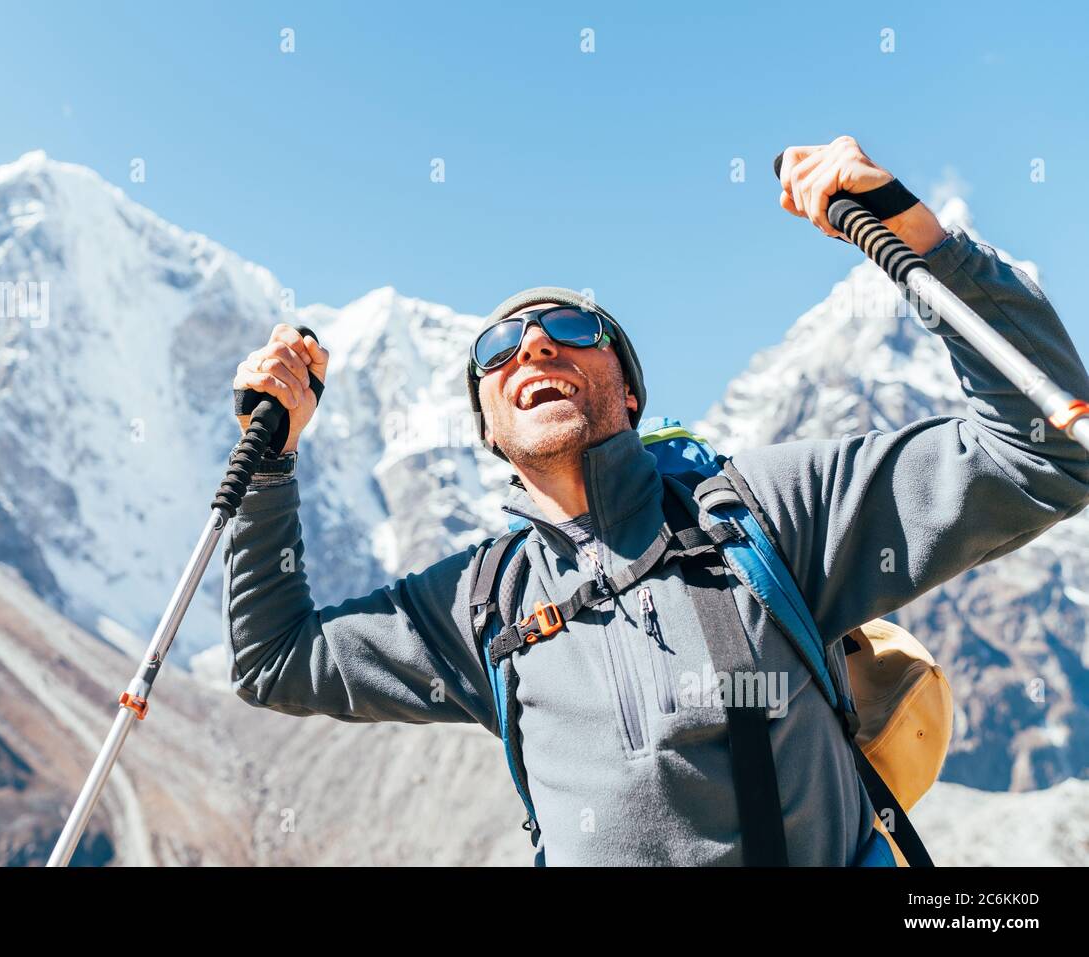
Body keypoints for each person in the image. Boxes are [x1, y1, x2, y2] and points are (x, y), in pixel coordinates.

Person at [221, 135, 1089, 865]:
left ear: (628, 393)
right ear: (486, 426)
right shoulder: (475, 605)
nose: (532, 346)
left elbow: (1044, 453)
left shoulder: (767, 513)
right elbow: (274, 660)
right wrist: (272, 459)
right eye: (498, 348)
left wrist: (913, 231)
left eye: (570, 329)